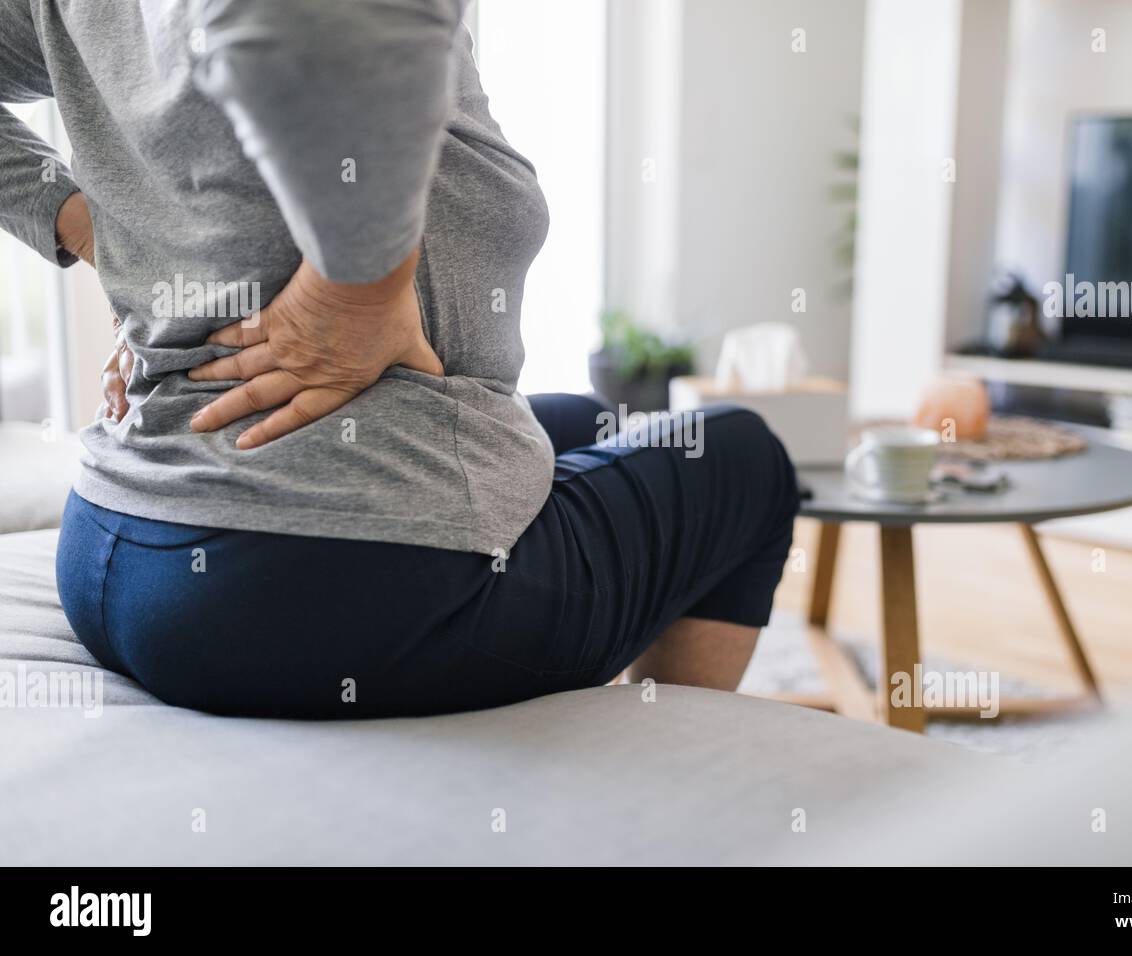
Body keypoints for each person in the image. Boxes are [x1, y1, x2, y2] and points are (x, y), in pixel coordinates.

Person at [0, 0, 800, 717]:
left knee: (591, 421)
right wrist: (353, 293)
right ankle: (678, 784)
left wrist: (92, 229)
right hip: (323, 587)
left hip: (119, 547)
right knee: (745, 457)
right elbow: (313, 24)